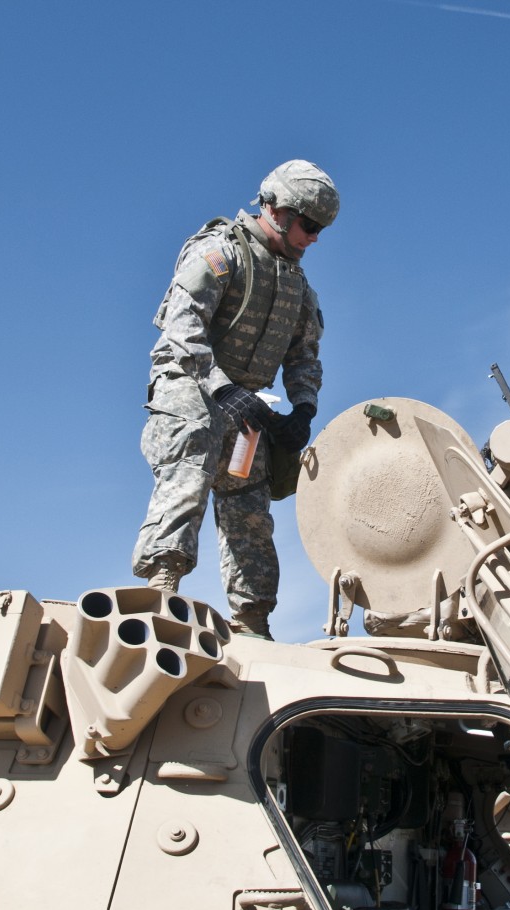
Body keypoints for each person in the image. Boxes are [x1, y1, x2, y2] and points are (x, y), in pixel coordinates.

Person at [131, 160, 339, 639]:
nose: (314, 238)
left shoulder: (297, 287)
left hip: (245, 404)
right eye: (309, 225)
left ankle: (252, 618)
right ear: (279, 211)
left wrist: (302, 409)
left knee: (250, 500)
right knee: (192, 457)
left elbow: (304, 354)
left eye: (321, 229)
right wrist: (222, 388)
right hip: (192, 385)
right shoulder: (221, 253)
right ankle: (163, 582)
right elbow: (183, 331)